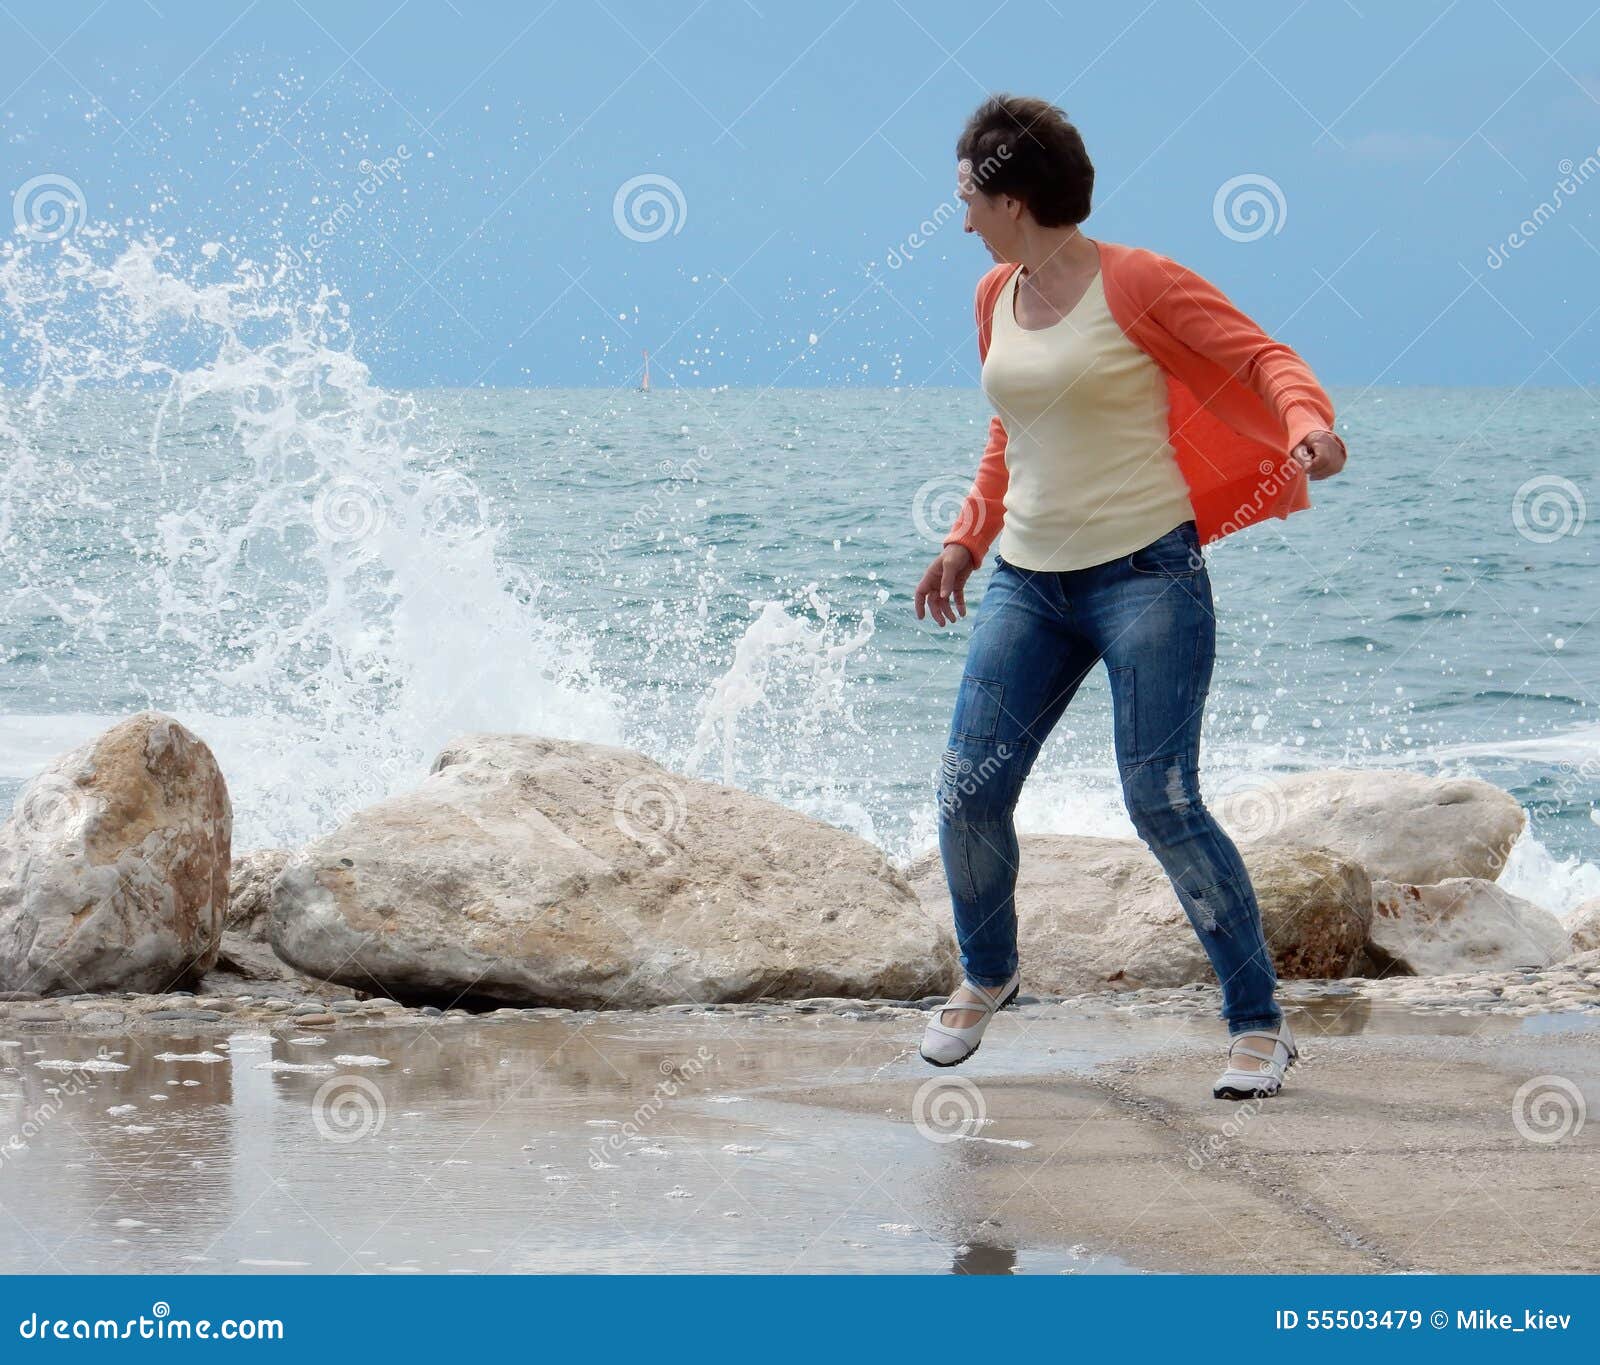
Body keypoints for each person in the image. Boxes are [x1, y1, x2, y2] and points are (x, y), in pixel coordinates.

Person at [912, 94, 1348, 1100]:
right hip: (1028, 582)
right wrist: (967, 538)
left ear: (1014, 199)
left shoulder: (1139, 281)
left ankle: (1257, 1023)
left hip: (1145, 577)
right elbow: (1012, 432)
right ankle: (989, 970)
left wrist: (1305, 427)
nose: (961, 218)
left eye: (968, 197)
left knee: (1161, 799)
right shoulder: (994, 295)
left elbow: (1262, 357)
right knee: (969, 789)